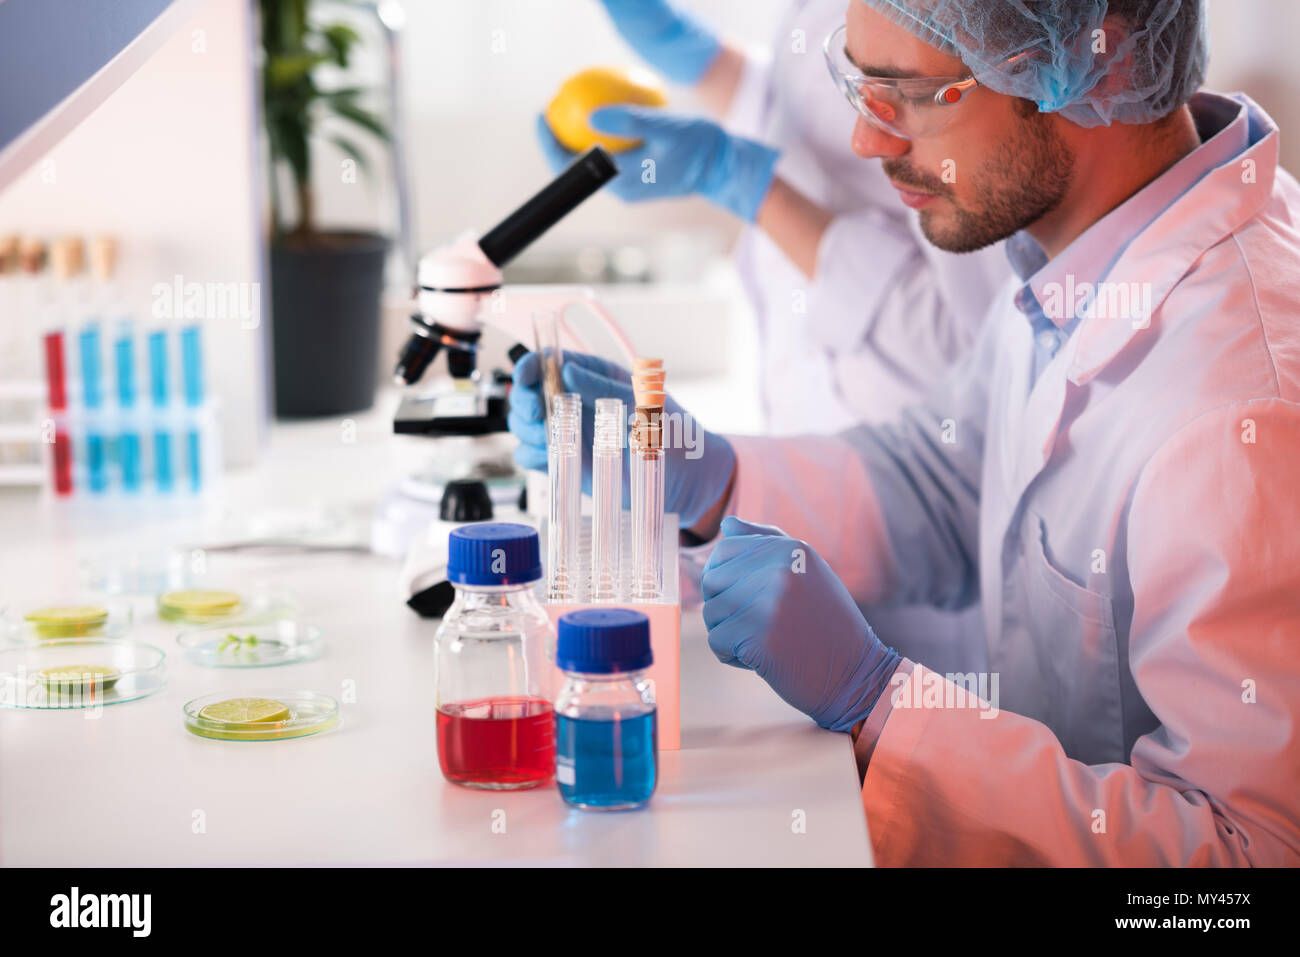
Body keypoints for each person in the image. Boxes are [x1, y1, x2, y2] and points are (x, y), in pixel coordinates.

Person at [511, 0, 1300, 865]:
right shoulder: (1085, 248)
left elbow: (1245, 864)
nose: (866, 142)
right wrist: (715, 475)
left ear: (1097, 61)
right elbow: (944, 478)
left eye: (912, 94)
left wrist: (882, 706)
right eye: (859, 84)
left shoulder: (1237, 412)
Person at [539, 0, 1011, 675]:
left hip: (922, 547)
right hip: (837, 484)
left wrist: (742, 179)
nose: (868, 134)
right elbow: (816, 114)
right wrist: (708, 64)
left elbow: (946, 336)